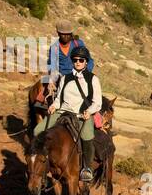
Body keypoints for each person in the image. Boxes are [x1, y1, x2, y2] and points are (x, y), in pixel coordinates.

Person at [33, 44, 101, 183]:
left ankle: (86, 169)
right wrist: (53, 106)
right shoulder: (66, 78)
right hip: (63, 111)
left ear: (86, 62)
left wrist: (90, 112)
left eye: (81, 60)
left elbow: (97, 102)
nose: (78, 62)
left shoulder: (93, 79)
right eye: (75, 60)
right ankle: (40, 164)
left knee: (87, 137)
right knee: (37, 130)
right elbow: (59, 98)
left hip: (82, 114)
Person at [45, 19, 92, 101]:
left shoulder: (78, 44)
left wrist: (86, 72)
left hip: (80, 75)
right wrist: (51, 80)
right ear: (58, 33)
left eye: (68, 34)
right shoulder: (54, 48)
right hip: (62, 77)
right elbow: (52, 66)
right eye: (63, 34)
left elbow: (89, 60)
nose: (66, 36)